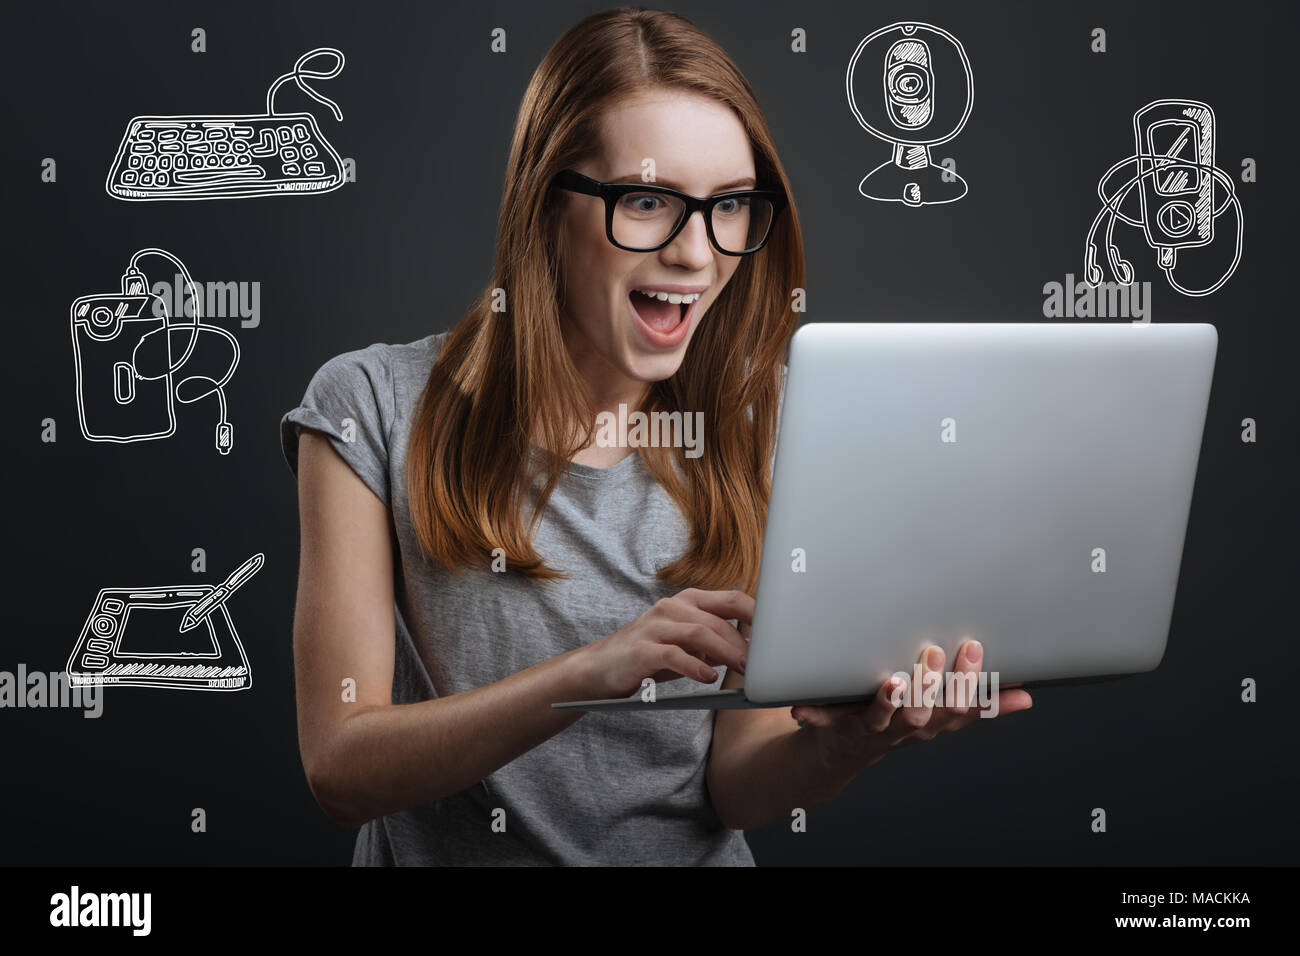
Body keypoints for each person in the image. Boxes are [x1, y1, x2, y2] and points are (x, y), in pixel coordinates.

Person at [280, 6, 1032, 866]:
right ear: (545, 206)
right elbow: (339, 765)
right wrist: (587, 676)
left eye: (729, 207)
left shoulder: (764, 433)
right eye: (647, 201)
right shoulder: (368, 406)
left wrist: (851, 742)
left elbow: (732, 782)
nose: (697, 254)